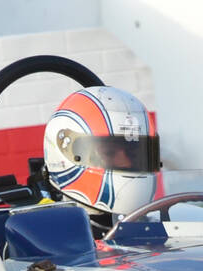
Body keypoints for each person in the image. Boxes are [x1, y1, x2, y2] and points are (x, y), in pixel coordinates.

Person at [42, 87, 160, 236]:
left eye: (134, 153)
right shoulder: (46, 231)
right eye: (109, 153)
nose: (126, 163)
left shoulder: (159, 222)